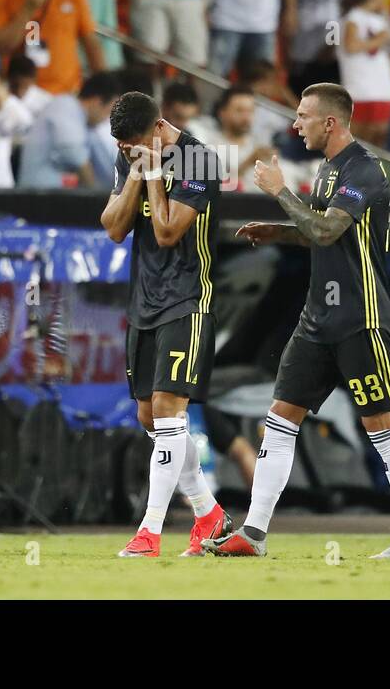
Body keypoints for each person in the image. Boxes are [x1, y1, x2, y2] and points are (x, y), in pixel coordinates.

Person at [205, 83, 390, 558]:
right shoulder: (328, 171)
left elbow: (326, 229)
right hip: (317, 320)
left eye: (302, 116)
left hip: (358, 318)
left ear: (331, 122)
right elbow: (320, 233)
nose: (294, 124)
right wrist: (279, 230)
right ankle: (253, 534)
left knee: (383, 427)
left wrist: (279, 192)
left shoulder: (364, 170)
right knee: (280, 418)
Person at [101, 90, 230, 557]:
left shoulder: (200, 160)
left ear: (158, 128)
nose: (127, 153)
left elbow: (168, 230)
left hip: (188, 300)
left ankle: (149, 532)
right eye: (121, 148)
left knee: (168, 408)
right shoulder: (131, 156)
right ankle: (209, 515)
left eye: (134, 145)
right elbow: (114, 227)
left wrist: (153, 174)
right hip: (145, 301)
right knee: (148, 416)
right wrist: (138, 170)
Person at [17, 71, 120, 188]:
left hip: (53, 194)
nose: (106, 118)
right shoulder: (65, 105)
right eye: (108, 111)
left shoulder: (84, 124)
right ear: (97, 102)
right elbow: (73, 152)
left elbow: (103, 164)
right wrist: (97, 195)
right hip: (37, 194)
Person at [338, 0, 390, 146]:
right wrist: (380, 39)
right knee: (356, 149)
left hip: (382, 93)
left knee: (376, 151)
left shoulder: (379, 19)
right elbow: (351, 45)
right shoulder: (353, 17)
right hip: (362, 93)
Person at [188, 85, 274, 193]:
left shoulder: (259, 143)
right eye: (239, 111)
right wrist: (249, 162)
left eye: (250, 111)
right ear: (222, 113)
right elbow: (215, 187)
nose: (246, 117)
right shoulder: (210, 146)